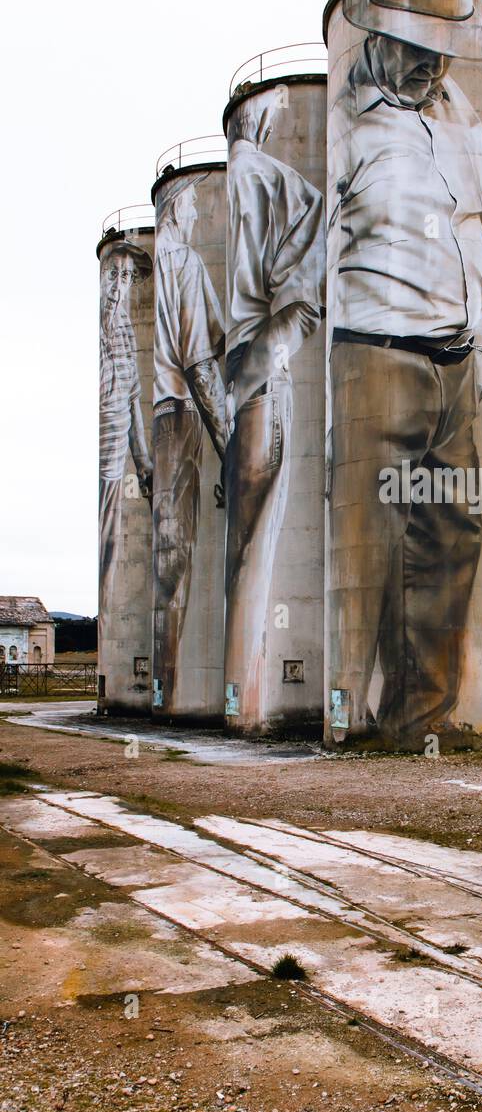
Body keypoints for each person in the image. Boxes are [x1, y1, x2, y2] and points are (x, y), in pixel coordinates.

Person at [327, 0, 482, 748]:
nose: (433, 63)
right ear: (377, 34)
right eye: (418, 45)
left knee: (449, 533)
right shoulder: (344, 127)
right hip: (375, 353)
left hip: (455, 361)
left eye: (444, 47)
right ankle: (342, 716)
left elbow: (479, 233)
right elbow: (313, 256)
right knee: (365, 544)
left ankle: (419, 720)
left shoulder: (461, 121)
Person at [223, 89, 324, 728]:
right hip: (266, 389)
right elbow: (303, 306)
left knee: (240, 567)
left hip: (242, 398)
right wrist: (271, 369)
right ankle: (256, 703)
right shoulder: (281, 184)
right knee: (259, 568)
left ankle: (241, 701)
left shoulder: (237, 180)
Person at [151, 172, 226, 712]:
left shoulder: (161, 264)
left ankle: (166, 691)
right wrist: (230, 444)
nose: (200, 217)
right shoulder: (184, 261)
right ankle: (175, 693)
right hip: (181, 417)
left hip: (160, 419)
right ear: (175, 211)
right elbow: (202, 362)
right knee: (176, 568)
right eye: (195, 208)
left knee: (166, 563)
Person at [98, 237, 153, 616]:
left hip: (121, 462)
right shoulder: (101, 331)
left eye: (126, 278)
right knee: (108, 546)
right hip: (104, 465)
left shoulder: (125, 328)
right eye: (114, 274)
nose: (119, 285)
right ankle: (111, 613)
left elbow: (134, 394)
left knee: (115, 542)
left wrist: (144, 460)